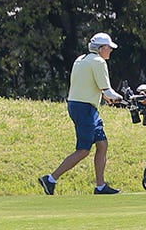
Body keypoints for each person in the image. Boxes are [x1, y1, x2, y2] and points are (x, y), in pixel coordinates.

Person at [40, 32, 126, 195]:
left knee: (102, 144)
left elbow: (92, 86)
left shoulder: (81, 59)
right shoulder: (98, 61)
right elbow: (106, 89)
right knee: (84, 150)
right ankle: (51, 179)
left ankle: (100, 186)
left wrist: (107, 98)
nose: (110, 51)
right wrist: (121, 98)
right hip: (84, 108)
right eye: (109, 48)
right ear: (102, 48)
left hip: (83, 106)